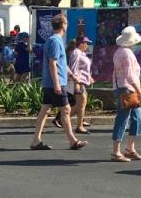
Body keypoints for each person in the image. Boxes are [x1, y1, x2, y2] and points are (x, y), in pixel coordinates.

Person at [29, 14, 86, 151]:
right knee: (66, 109)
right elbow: (52, 63)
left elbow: (61, 63)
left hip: (53, 81)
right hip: (56, 82)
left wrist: (72, 76)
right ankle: (73, 141)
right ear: (63, 25)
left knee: (45, 109)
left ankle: (36, 140)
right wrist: (56, 84)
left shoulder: (56, 40)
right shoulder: (55, 41)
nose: (67, 25)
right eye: (66, 23)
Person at [111, 25, 141, 161]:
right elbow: (130, 75)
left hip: (122, 87)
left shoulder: (119, 52)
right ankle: (116, 151)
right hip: (126, 88)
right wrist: (140, 92)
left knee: (137, 118)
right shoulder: (127, 53)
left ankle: (129, 148)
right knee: (124, 118)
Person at [67, 36, 93, 135]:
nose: (87, 45)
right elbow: (73, 68)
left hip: (82, 81)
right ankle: (78, 125)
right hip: (78, 81)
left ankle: (65, 119)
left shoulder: (82, 53)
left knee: (81, 104)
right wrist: (76, 83)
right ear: (81, 44)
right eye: (86, 43)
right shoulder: (76, 53)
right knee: (81, 104)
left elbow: (83, 68)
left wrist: (89, 77)